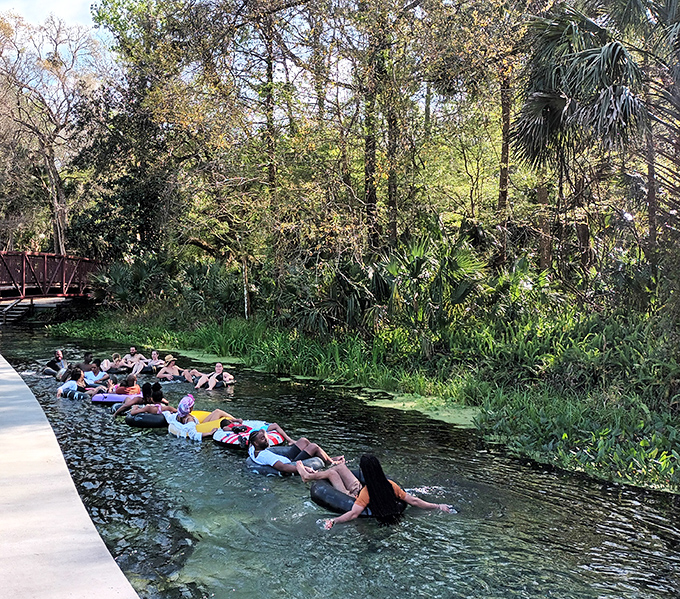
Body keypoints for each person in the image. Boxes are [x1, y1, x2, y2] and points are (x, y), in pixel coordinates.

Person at [323, 455, 451, 528]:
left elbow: (353, 514)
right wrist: (438, 506)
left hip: (374, 524)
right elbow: (414, 501)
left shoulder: (366, 492)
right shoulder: (391, 485)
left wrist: (334, 520)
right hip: (396, 520)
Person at [164, 394, 231, 441]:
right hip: (201, 427)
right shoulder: (190, 420)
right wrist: (210, 433)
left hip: (199, 425)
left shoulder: (177, 415)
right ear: (190, 408)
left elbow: (168, 416)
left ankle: (235, 420)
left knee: (217, 411)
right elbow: (194, 435)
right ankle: (237, 421)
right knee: (218, 412)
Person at [215, 417, 295, 445]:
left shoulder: (235, 423)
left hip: (252, 430)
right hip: (252, 432)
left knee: (274, 425)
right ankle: (289, 440)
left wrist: (234, 420)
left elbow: (240, 420)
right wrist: (232, 427)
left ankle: (289, 440)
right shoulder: (230, 426)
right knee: (275, 425)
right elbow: (225, 429)